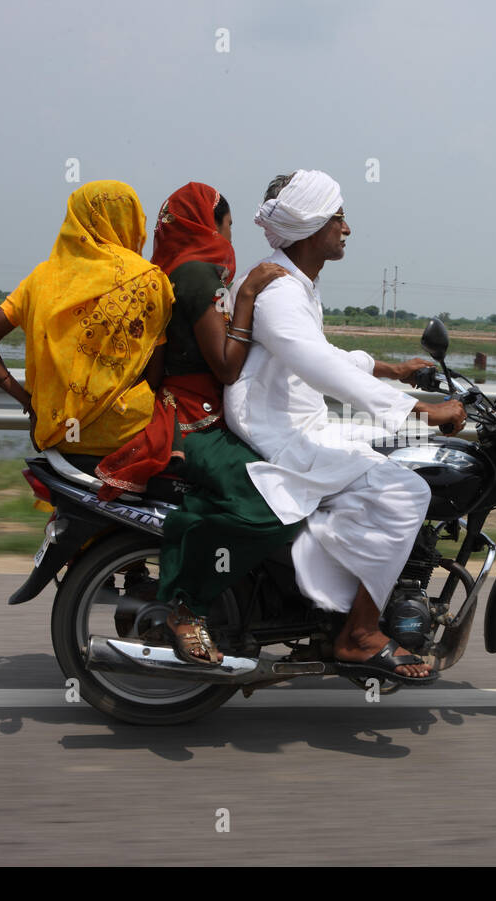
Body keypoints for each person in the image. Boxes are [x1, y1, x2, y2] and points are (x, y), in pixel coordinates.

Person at [224, 170, 466, 684]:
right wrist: (421, 412)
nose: (347, 228)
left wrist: (392, 370)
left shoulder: (294, 283)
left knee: (397, 456)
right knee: (407, 492)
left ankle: (347, 595)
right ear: (312, 225)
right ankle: (358, 633)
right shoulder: (279, 291)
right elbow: (320, 368)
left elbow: (325, 354)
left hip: (299, 422)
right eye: (338, 217)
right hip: (278, 434)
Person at [93, 183, 298, 665]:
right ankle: (188, 606)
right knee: (277, 503)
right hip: (194, 420)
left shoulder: (171, 269)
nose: (231, 237)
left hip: (189, 411)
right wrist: (248, 294)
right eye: (228, 226)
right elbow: (225, 366)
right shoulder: (200, 274)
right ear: (210, 224)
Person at [0, 180, 173, 456]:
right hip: (125, 436)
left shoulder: (41, 278)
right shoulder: (149, 279)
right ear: (132, 220)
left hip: (58, 436)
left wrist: (29, 403)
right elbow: (154, 376)